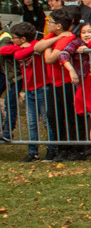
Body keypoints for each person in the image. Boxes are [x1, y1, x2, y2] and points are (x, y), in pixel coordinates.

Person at [38, 8, 88, 161]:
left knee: (71, 116)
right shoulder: (54, 36)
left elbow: (50, 58)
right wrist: (51, 41)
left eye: (50, 22)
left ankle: (77, 148)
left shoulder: (69, 37)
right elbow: (36, 48)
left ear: (58, 25)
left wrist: (47, 46)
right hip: (54, 83)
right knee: (54, 116)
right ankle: (62, 147)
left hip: (68, 82)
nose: (48, 25)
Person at [58, 22, 91, 161]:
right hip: (86, 86)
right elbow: (63, 54)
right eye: (84, 32)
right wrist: (71, 71)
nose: (87, 35)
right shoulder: (76, 43)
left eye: (90, 31)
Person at [0, 22, 50, 161]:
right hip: (29, 90)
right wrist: (19, 46)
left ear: (23, 39)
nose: (11, 39)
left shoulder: (36, 45)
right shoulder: (19, 47)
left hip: (42, 87)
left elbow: (35, 47)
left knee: (47, 121)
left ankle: (53, 149)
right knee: (32, 122)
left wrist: (31, 47)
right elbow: (4, 51)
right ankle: (32, 151)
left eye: (14, 37)